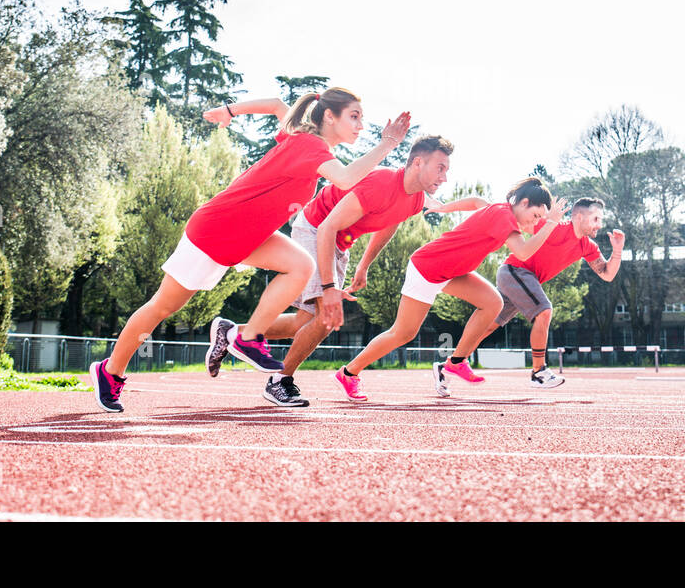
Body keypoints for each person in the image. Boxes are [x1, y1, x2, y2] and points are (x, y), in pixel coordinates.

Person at [88, 88, 410, 413]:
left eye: (361, 119)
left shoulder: (299, 137)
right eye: (354, 116)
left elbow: (274, 105)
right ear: (330, 116)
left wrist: (230, 110)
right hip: (215, 231)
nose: (360, 125)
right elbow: (344, 179)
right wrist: (388, 143)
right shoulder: (309, 146)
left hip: (247, 237)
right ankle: (110, 371)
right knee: (161, 308)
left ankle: (247, 336)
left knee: (301, 265)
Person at [210, 135, 487, 407]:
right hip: (316, 228)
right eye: (440, 168)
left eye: (447, 170)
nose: (444, 177)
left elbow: (388, 224)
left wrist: (364, 265)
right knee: (326, 316)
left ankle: (233, 332)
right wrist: (330, 288)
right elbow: (328, 227)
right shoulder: (381, 182)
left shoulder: (414, 199)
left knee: (301, 323)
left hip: (339, 241)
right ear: (417, 163)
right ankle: (280, 381)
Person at [334, 177, 567, 401]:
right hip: (427, 268)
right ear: (523, 203)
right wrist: (552, 223)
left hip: (450, 272)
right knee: (403, 333)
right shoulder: (503, 216)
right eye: (536, 215)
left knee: (492, 302)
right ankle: (348, 373)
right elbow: (524, 252)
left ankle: (455, 362)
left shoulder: (499, 211)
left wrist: (445, 207)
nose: (535, 223)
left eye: (540, 220)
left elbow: (476, 201)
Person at [487, 197, 624, 387]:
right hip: (515, 271)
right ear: (578, 217)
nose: (599, 225)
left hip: (525, 281)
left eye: (601, 220)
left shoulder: (587, 246)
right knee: (544, 310)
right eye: (595, 219)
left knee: (488, 325)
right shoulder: (554, 227)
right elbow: (518, 221)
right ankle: (538, 371)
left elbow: (607, 274)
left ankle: (450, 363)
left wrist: (617, 252)